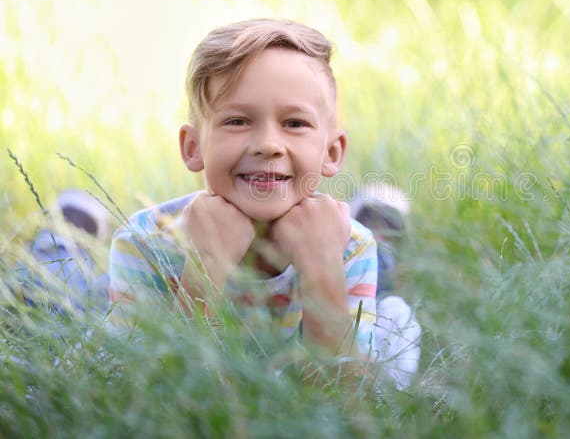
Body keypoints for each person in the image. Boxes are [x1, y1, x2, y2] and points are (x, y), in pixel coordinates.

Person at [108, 19, 377, 362]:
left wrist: (322, 266)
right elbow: (151, 397)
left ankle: (382, 223)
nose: (267, 145)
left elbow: (347, 402)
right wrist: (206, 264)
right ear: (193, 147)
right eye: (237, 121)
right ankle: (68, 227)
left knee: (395, 342)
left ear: (332, 153)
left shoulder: (349, 247)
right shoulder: (144, 244)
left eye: (294, 124)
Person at [351, 183, 421, 390]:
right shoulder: (346, 245)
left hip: (375, 318)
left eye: (388, 227)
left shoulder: (389, 259)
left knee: (400, 313)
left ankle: (388, 398)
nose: (378, 232)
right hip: (344, 314)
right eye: (371, 223)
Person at [18, 189, 110, 316]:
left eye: (85, 224)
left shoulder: (34, 247)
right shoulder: (40, 247)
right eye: (69, 217)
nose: (76, 226)